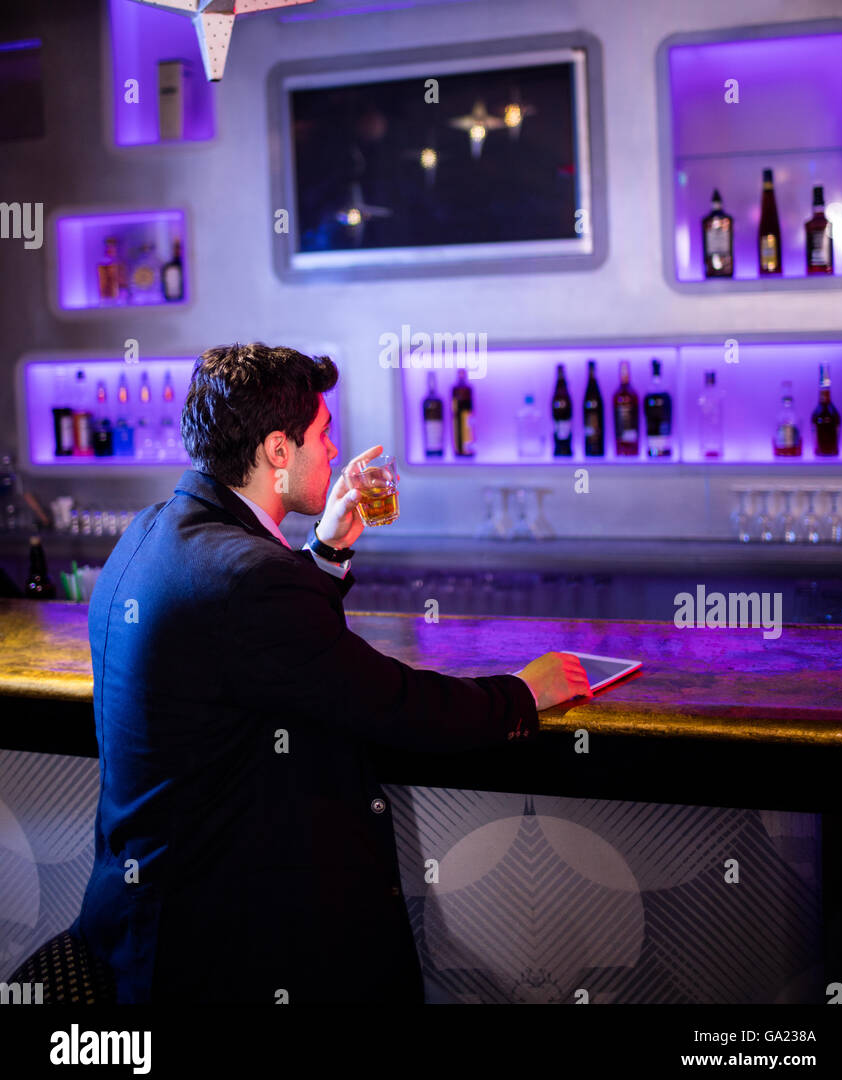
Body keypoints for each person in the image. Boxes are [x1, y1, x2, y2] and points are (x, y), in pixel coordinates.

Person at [71, 342, 590, 1004]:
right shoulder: (248, 578)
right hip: (225, 949)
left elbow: (270, 656)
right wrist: (523, 694)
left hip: (140, 921)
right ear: (278, 451)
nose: (335, 451)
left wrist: (326, 547)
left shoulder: (152, 531)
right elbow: (389, 703)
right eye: (323, 433)